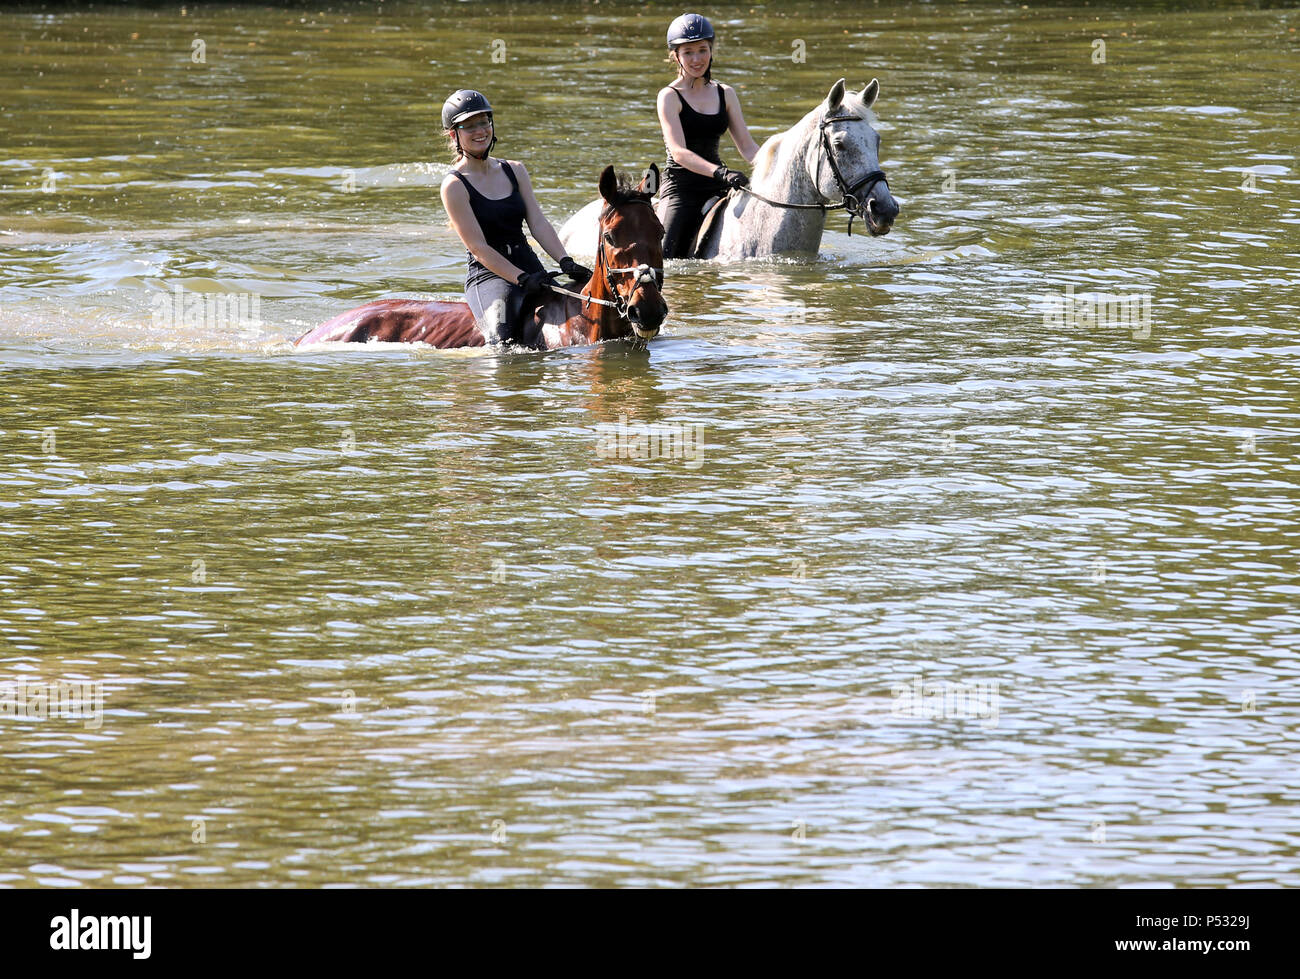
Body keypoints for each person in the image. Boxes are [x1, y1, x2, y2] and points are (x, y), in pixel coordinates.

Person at [438, 89, 592, 348]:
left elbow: (538, 223)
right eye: (469, 126)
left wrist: (565, 261)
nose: (480, 131)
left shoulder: (515, 170)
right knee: (502, 342)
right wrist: (520, 279)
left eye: (484, 122)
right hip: (489, 276)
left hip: (530, 265)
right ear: (454, 134)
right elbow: (479, 248)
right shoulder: (453, 185)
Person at [656, 13, 762, 259]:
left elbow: (747, 147)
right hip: (681, 188)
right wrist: (721, 172)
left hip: (718, 183)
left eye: (702, 50)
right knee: (667, 259)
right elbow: (679, 152)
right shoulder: (669, 96)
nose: (697, 59)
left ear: (711, 50)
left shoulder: (726, 93)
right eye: (688, 52)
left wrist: (777, 166)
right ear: (676, 56)